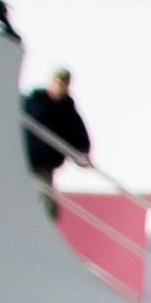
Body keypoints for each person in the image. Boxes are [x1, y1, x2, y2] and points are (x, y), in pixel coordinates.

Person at [20, 65, 91, 213]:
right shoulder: (34, 102)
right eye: (58, 82)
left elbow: (81, 140)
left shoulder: (68, 112)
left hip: (42, 168)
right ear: (51, 82)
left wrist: (81, 154)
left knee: (46, 206)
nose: (60, 87)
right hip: (20, 160)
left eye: (63, 84)